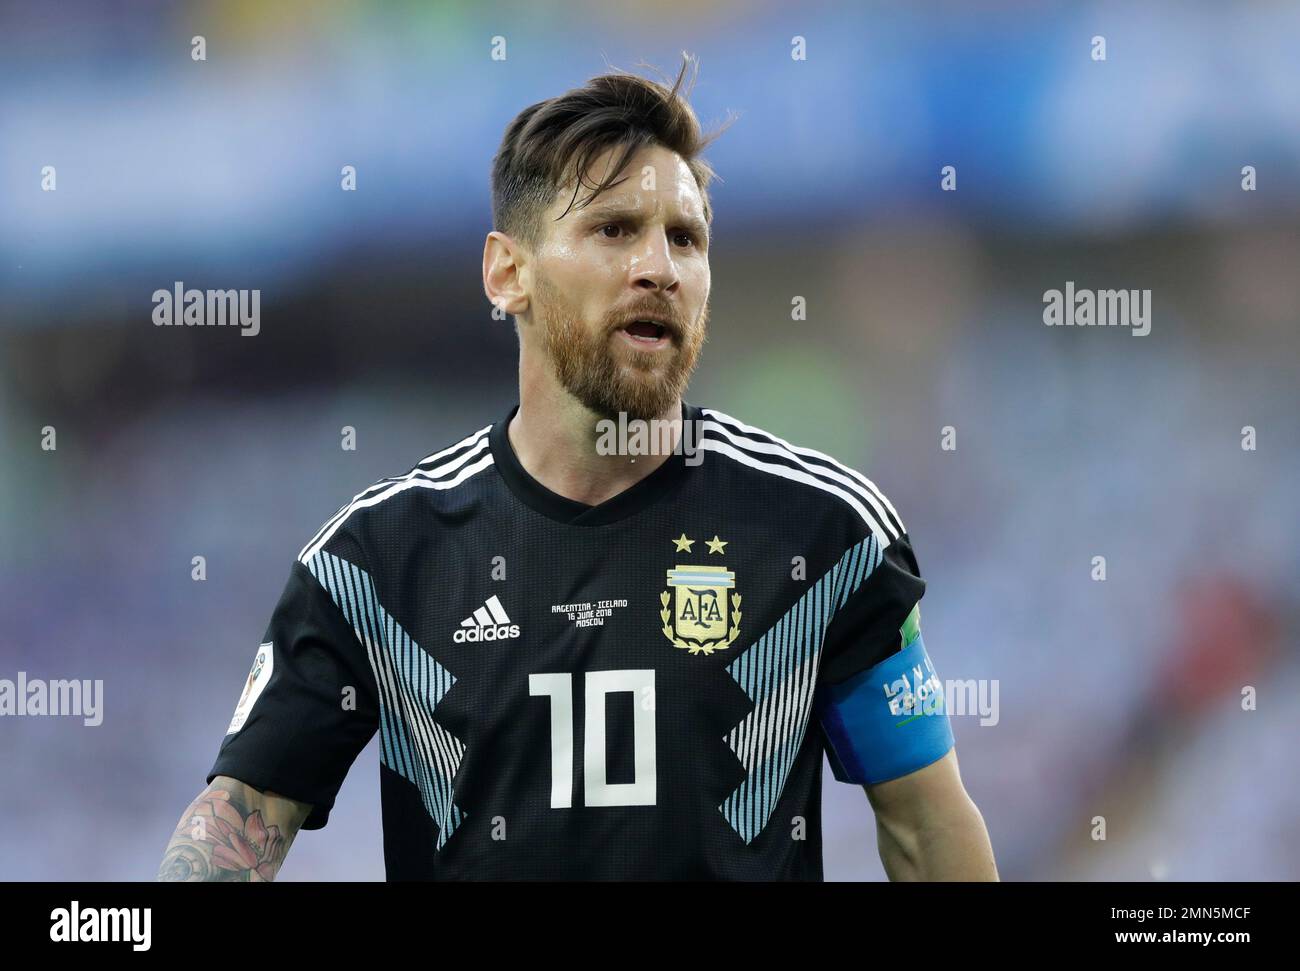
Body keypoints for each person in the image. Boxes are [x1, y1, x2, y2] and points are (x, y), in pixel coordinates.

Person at [158, 55, 997, 882]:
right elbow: (244, 818)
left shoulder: (826, 535)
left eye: (685, 238)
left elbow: (926, 829)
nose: (660, 268)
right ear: (508, 272)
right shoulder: (374, 562)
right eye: (614, 229)